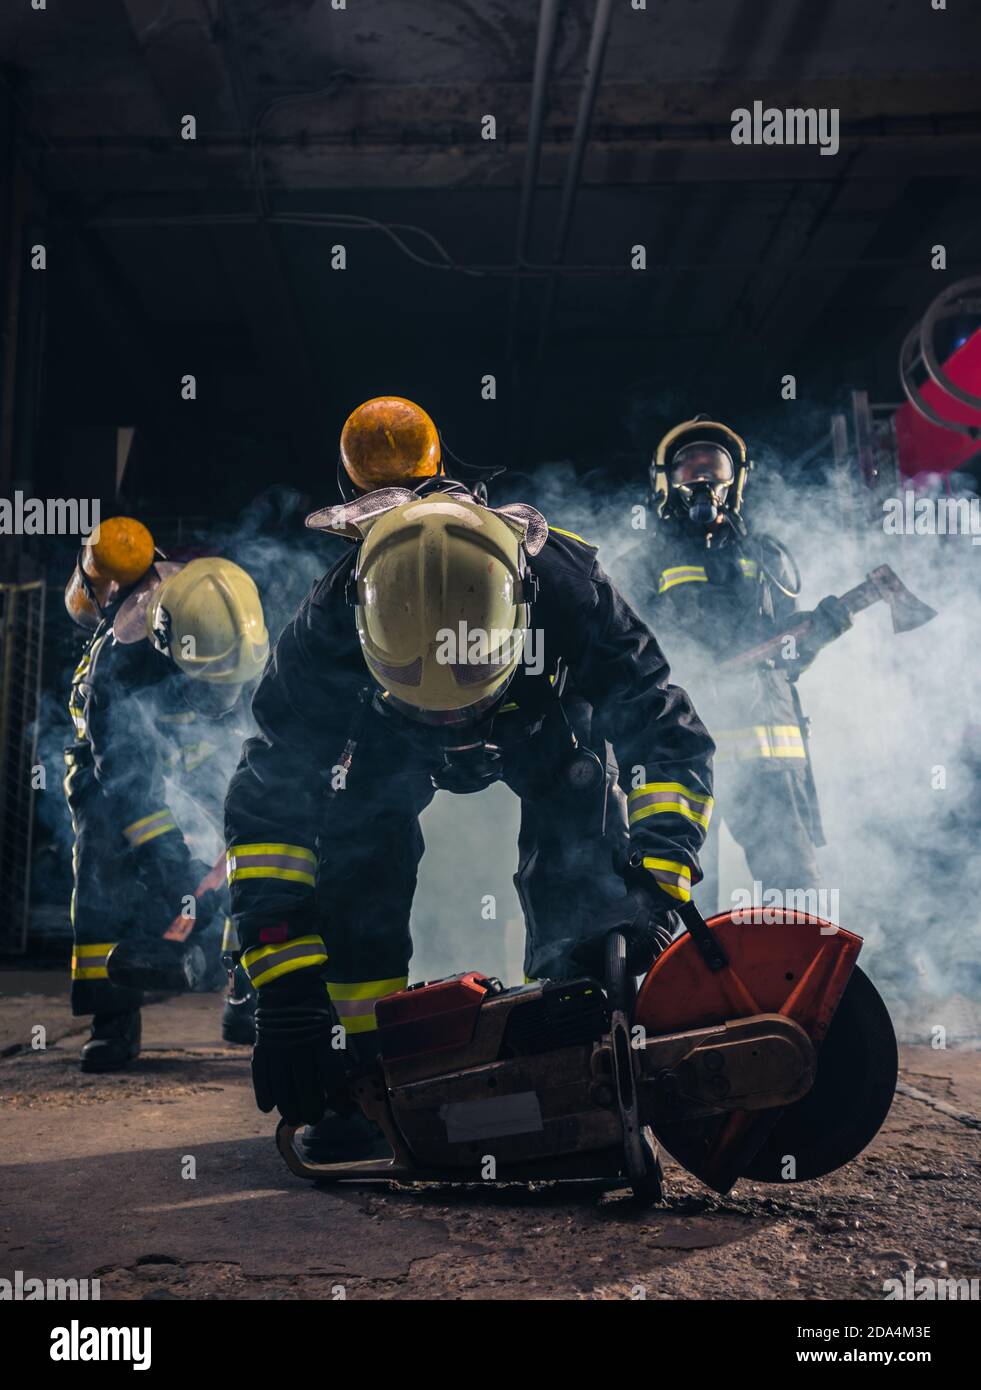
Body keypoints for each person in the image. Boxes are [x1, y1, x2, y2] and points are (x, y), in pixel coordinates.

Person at [224, 454, 715, 1162]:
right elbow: (272, 807)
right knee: (356, 850)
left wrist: (655, 879)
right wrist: (286, 988)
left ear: (518, 612)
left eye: (463, 698)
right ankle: (361, 1085)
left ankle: (576, 1062)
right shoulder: (328, 623)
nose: (451, 723)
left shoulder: (570, 592)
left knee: (580, 833)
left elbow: (667, 738)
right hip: (384, 743)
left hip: (542, 726)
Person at [618, 416, 851, 909]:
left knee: (794, 893)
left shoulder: (766, 558)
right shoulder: (644, 562)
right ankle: (693, 988)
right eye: (689, 469)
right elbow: (624, 655)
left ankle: (797, 984)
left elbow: (786, 660)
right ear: (666, 482)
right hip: (681, 754)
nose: (702, 481)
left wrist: (820, 630)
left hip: (770, 759)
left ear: (735, 480)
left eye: (714, 467)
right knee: (684, 895)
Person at [65, 520, 269, 1070]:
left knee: (258, 834)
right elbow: (128, 783)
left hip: (203, 747)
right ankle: (113, 1018)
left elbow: (271, 731)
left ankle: (247, 991)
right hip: (119, 769)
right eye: (213, 684)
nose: (225, 694)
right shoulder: (119, 663)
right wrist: (172, 870)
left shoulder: (221, 609)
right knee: (104, 851)